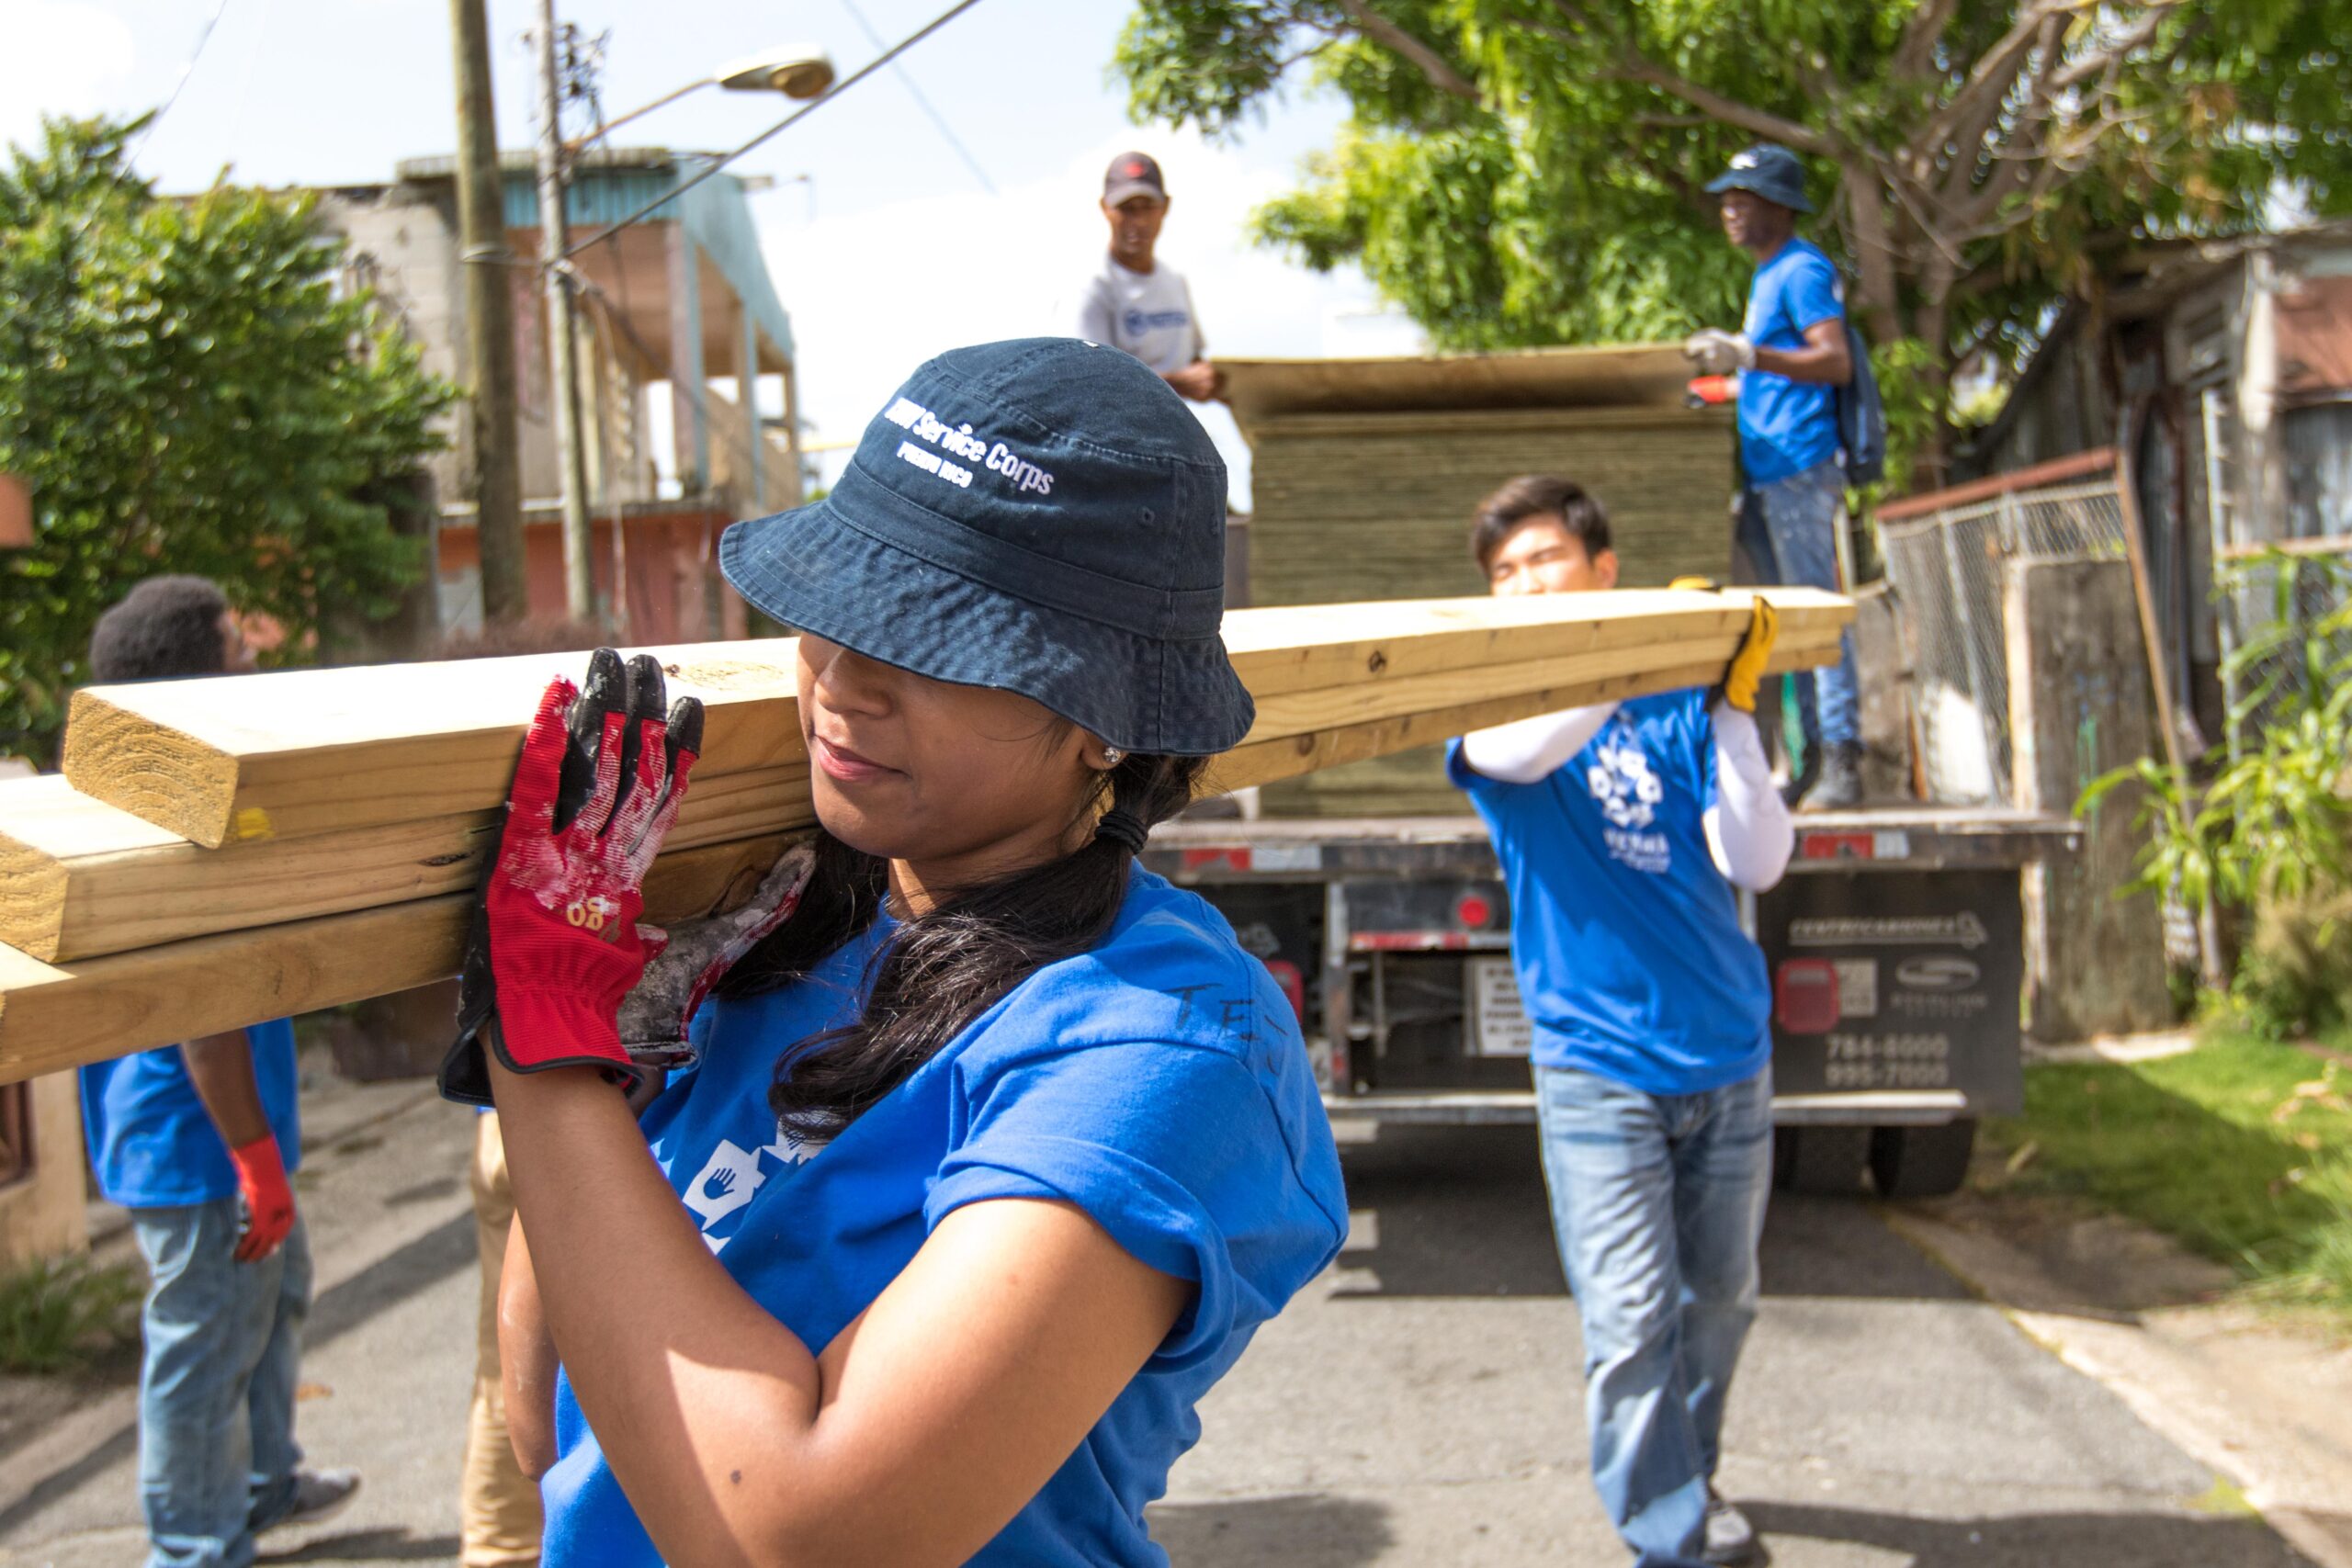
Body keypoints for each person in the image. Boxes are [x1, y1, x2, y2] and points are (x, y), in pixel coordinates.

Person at [435, 337, 1346, 1566]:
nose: (845, 680)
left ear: (1109, 720)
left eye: (936, 644)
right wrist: (609, 1051)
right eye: (833, 609)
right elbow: (549, 1419)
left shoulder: (1160, 1044)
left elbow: (802, 1536)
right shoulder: (776, 926)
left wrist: (546, 1051)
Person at [1448, 478, 1793, 1568]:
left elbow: (1756, 859)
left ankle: (1690, 1477)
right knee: (1631, 1318)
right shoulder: (1496, 710)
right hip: (1598, 1068)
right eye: (1504, 572)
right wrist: (1640, 655)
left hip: (1728, 1050)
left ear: (1604, 570)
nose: (1523, 582)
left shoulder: (1680, 704)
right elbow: (1519, 759)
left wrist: (1729, 706)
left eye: (1543, 558)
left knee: (1721, 1302)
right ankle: (1670, 1538)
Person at [74, 576, 359, 1568]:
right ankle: (193, 1543)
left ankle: (260, 1483)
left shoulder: (187, 778)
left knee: (272, 1300)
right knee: (204, 1341)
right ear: (194, 674)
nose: (254, 655)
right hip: (198, 1143)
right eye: (236, 644)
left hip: (227, 1131)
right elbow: (205, 1018)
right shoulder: (170, 807)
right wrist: (255, 1163)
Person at [1683, 143, 1861, 810]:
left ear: (1781, 207)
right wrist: (1720, 385)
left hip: (1798, 468)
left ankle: (1842, 761)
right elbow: (1773, 379)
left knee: (1817, 611)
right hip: (1767, 473)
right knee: (1781, 620)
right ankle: (1809, 758)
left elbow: (1833, 361)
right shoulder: (1767, 277)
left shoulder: (1801, 269)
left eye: (1743, 199)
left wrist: (1749, 353)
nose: (1729, 209)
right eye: (1726, 199)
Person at [1070, 152, 1221, 402]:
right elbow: (1087, 382)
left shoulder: (1175, 282)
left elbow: (1193, 361)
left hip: (1174, 426)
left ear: (1165, 207)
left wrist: (1216, 382)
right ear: (1105, 208)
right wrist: (1177, 384)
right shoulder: (1091, 287)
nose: (1139, 221)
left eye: (1148, 207)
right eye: (1127, 209)